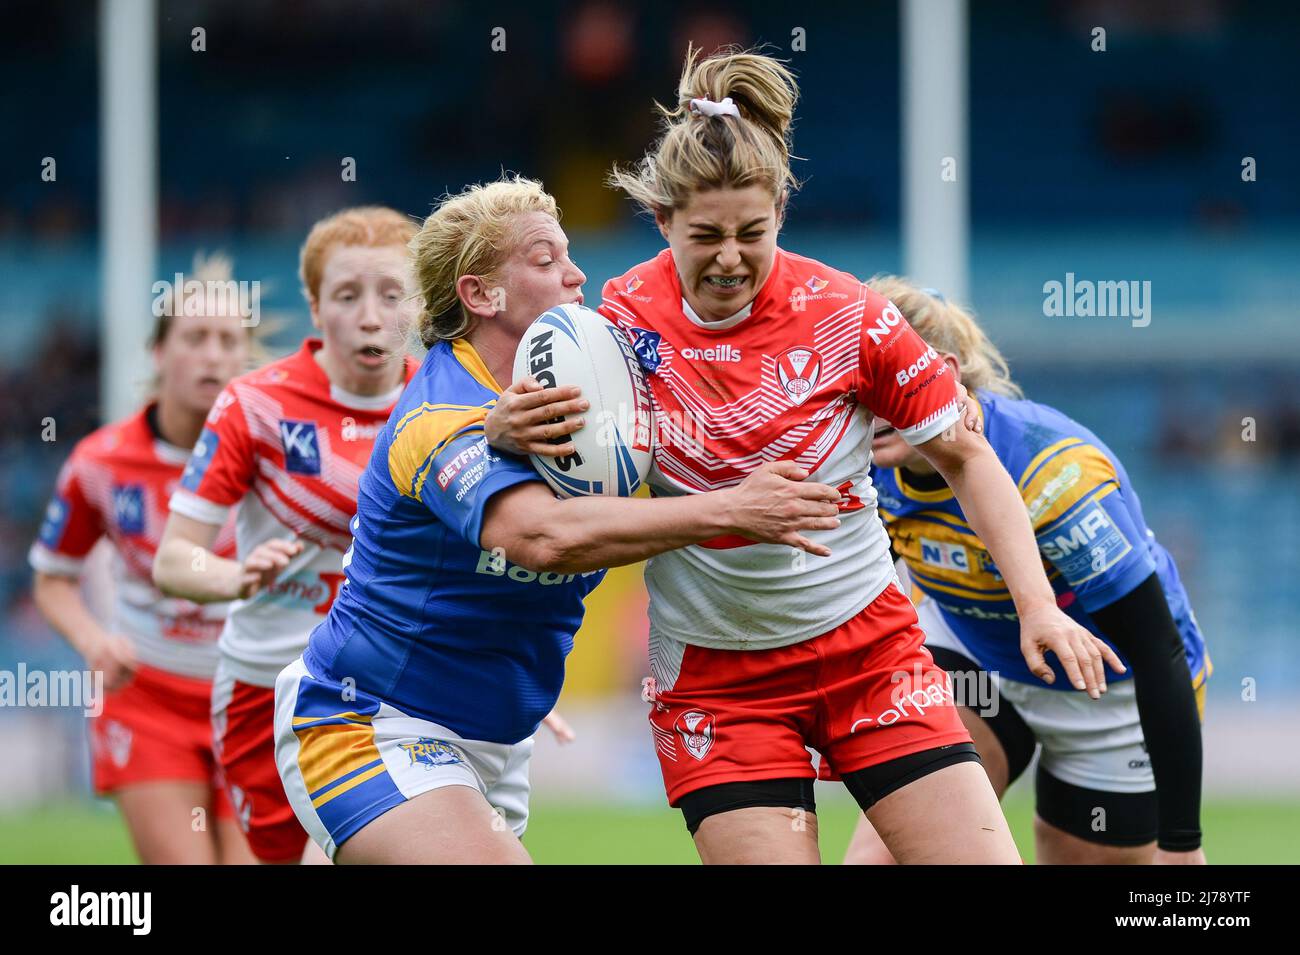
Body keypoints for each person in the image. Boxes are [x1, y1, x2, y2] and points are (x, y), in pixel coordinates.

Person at [592, 45, 1123, 864]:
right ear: (662, 221)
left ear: (780, 215)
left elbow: (967, 456)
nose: (730, 257)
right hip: (718, 682)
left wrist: (1037, 605)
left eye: (751, 232)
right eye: (704, 235)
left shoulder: (849, 314)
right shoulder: (619, 321)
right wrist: (512, 427)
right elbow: (572, 490)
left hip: (871, 657)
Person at [271, 176, 842, 864]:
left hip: (498, 741)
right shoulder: (439, 417)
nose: (575, 275)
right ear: (482, 294)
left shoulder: (597, 387)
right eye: (544, 261)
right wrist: (733, 509)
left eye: (568, 255)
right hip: (371, 721)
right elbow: (541, 538)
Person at [843, 277, 1210, 865]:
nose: (869, 409)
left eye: (885, 381)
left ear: (945, 371)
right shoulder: (864, 463)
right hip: (975, 661)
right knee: (887, 857)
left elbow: (1158, 648)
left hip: (1108, 689)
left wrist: (1182, 845)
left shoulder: (1052, 474)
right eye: (858, 387)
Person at [153, 207, 421, 863]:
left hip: (402, 692)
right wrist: (232, 576)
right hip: (266, 688)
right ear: (313, 305)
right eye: (347, 295)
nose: (369, 315)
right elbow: (174, 558)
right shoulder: (255, 403)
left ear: (420, 302)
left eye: (391, 294)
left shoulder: (448, 403)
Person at [30, 255, 258, 864]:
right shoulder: (100, 463)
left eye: (228, 340)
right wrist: (92, 641)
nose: (212, 355)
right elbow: (53, 579)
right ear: (159, 353)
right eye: (194, 338)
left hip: (254, 697)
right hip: (147, 697)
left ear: (246, 358)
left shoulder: (279, 456)